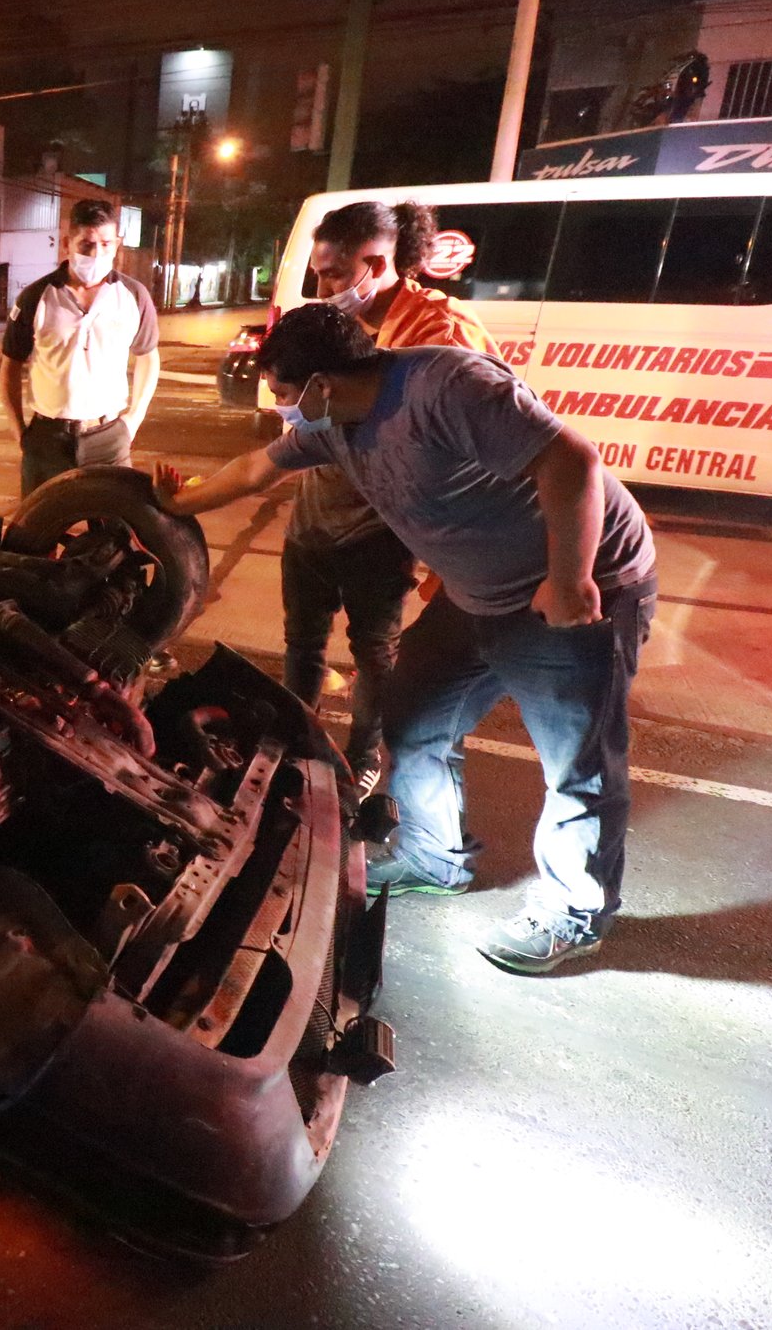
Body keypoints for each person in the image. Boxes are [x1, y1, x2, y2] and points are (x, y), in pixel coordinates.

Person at [158, 304, 658, 975]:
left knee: (578, 763)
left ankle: (575, 912)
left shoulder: (445, 386)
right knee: (413, 712)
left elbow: (572, 461)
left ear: (322, 384)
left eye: (283, 393)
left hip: (566, 589)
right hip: (473, 594)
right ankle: (433, 854)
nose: (280, 409)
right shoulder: (335, 426)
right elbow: (256, 470)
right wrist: (176, 503)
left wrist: (570, 578)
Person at [286, 200, 498, 795]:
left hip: (380, 534)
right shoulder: (336, 326)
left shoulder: (441, 334)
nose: (323, 287)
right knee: (303, 644)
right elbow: (294, 432)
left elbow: (484, 446)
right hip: (315, 517)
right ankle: (294, 743)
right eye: (318, 274)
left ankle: (361, 761)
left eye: (332, 273)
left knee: (374, 653)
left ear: (376, 262)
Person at [0, 198, 161, 496]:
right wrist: (19, 432)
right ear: (66, 243)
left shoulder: (133, 296)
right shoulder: (36, 297)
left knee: (115, 534)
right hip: (48, 439)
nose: (96, 253)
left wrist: (134, 418)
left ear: (117, 245)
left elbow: (148, 357)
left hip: (108, 438)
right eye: (86, 245)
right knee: (34, 536)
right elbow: (10, 365)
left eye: (105, 244)